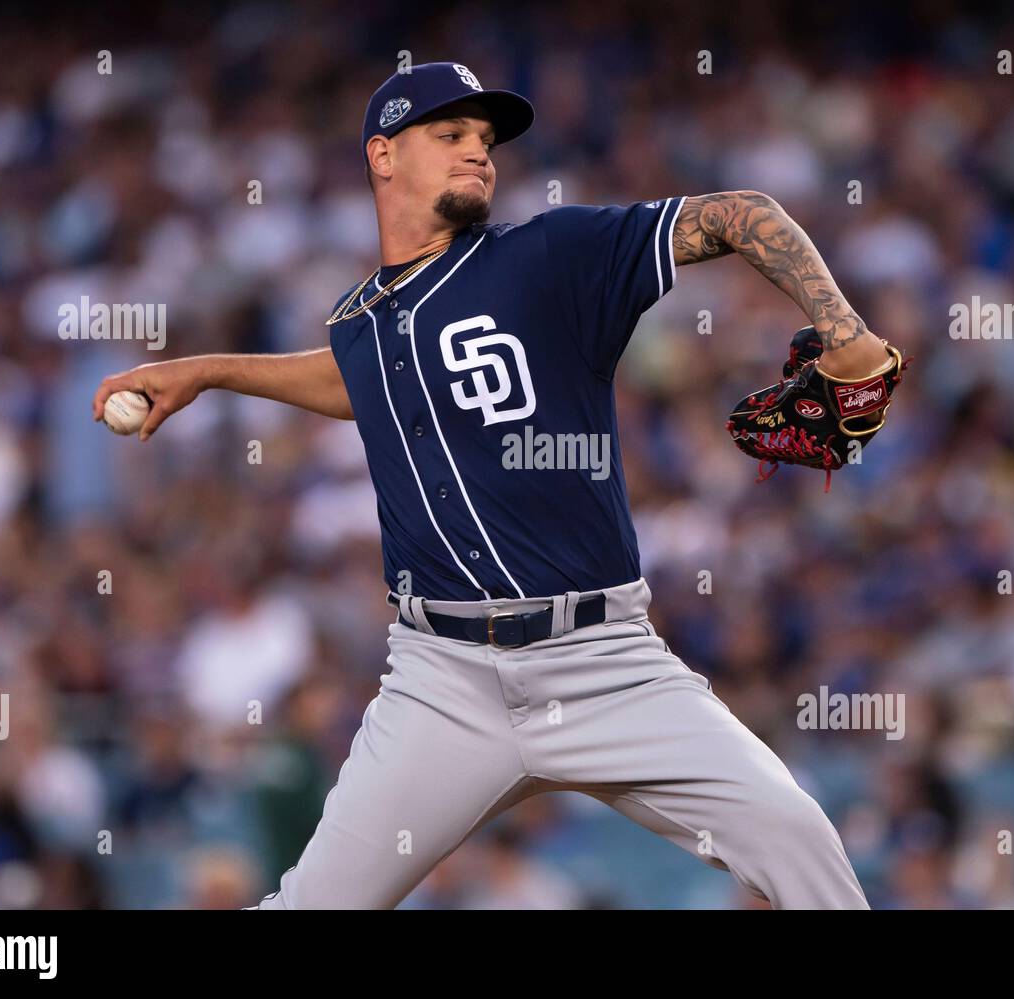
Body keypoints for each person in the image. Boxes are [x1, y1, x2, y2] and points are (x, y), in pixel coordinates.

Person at [93, 62, 886, 909]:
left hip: (604, 662)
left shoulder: (549, 258)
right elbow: (353, 380)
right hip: (442, 680)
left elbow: (740, 214)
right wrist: (207, 371)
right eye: (451, 135)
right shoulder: (363, 322)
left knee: (798, 842)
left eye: (485, 140)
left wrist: (846, 335)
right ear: (383, 155)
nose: (479, 153)